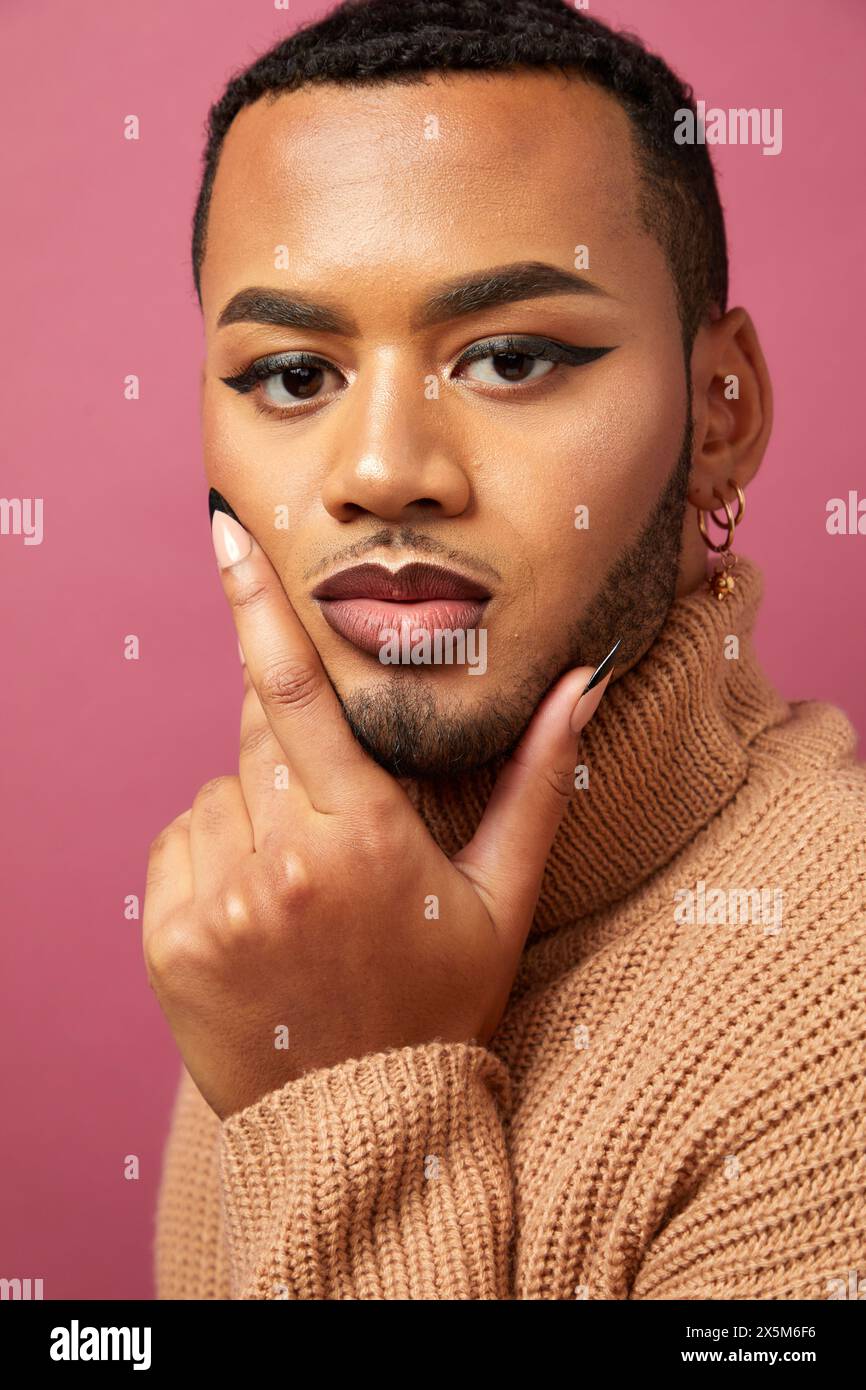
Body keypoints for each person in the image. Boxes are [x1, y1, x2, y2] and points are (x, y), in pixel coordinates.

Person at [146, 0, 866, 1299]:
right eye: (292, 377)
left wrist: (351, 1107)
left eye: (512, 356)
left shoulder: (837, 1022)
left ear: (722, 411)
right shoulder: (284, 914)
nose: (380, 473)